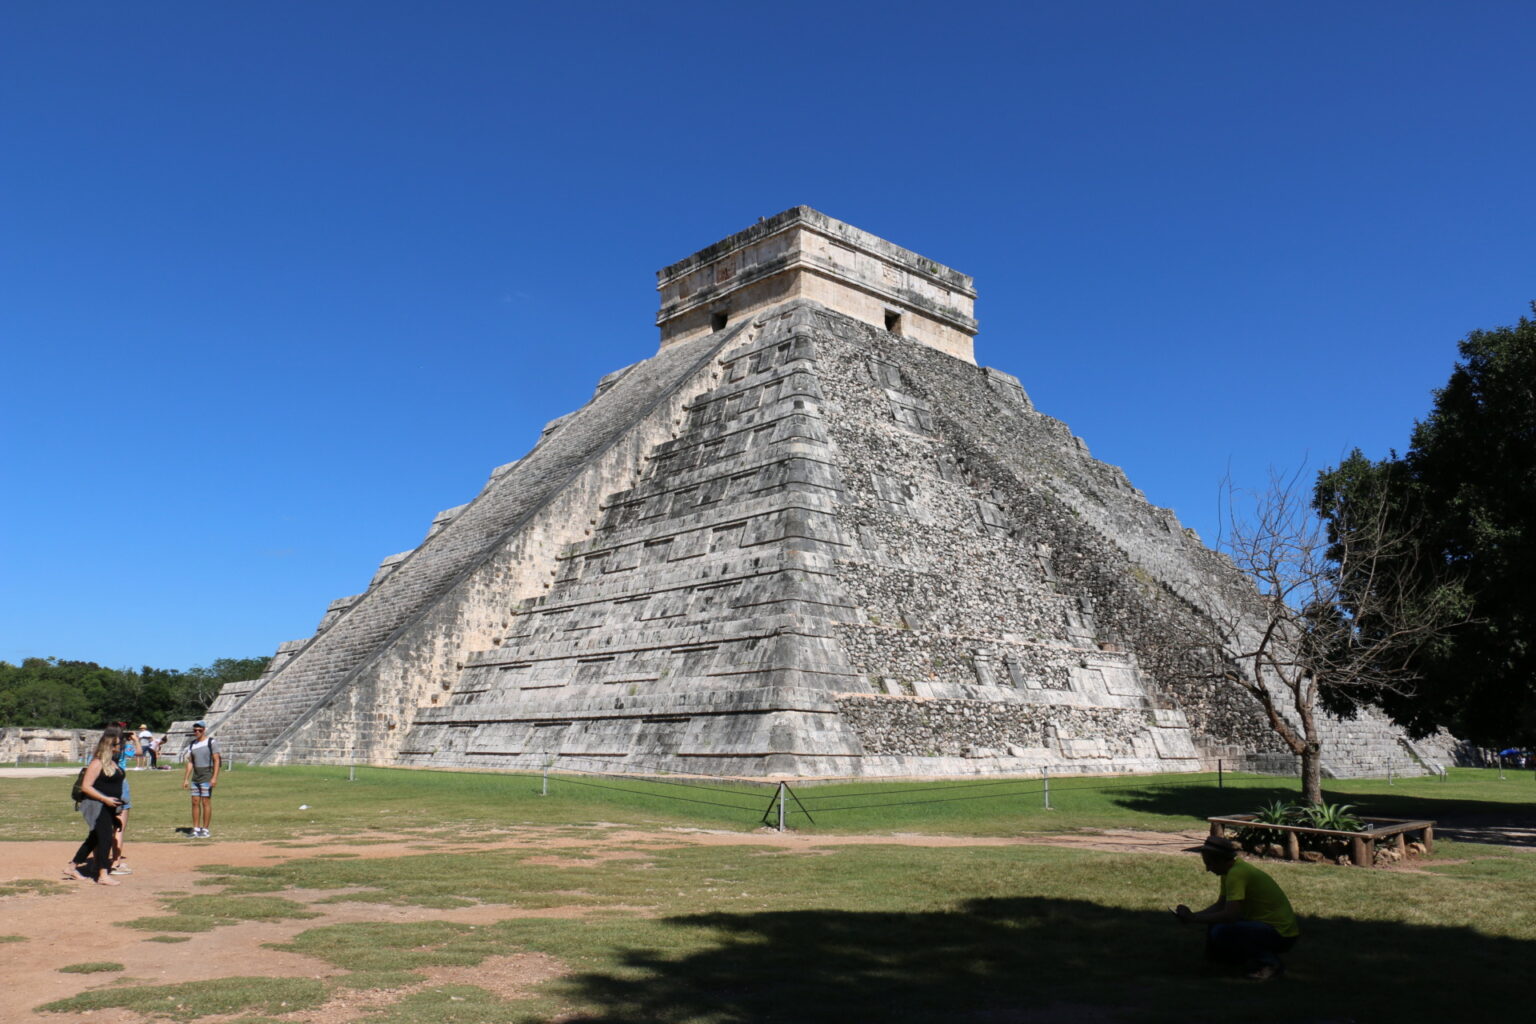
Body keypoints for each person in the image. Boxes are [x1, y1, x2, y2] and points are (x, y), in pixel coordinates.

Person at [1174, 835, 1299, 980]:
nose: (1208, 869)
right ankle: (1224, 963)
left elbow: (1230, 915)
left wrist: (1194, 918)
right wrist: (1192, 916)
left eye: (1210, 863)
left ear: (1221, 860)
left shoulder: (1237, 874)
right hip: (1277, 930)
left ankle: (1270, 963)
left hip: (1281, 935)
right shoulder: (1230, 871)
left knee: (1222, 931)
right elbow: (1220, 906)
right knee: (1216, 926)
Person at [66, 729, 127, 884]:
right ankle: (103, 875)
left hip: (109, 806)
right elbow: (86, 787)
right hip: (96, 805)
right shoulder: (97, 762)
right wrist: (104, 799)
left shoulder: (113, 762)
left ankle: (72, 867)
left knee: (94, 838)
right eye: (119, 743)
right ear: (111, 745)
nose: (121, 745)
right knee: (105, 838)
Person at [182, 721, 221, 838]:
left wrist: (214, 777)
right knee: (194, 802)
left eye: (200, 730)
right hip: (196, 775)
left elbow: (216, 760)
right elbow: (191, 762)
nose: (197, 732)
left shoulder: (211, 742)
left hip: (206, 774)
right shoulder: (192, 744)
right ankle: (196, 828)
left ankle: (205, 829)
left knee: (205, 802)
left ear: (204, 730)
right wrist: (186, 779)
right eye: (195, 730)